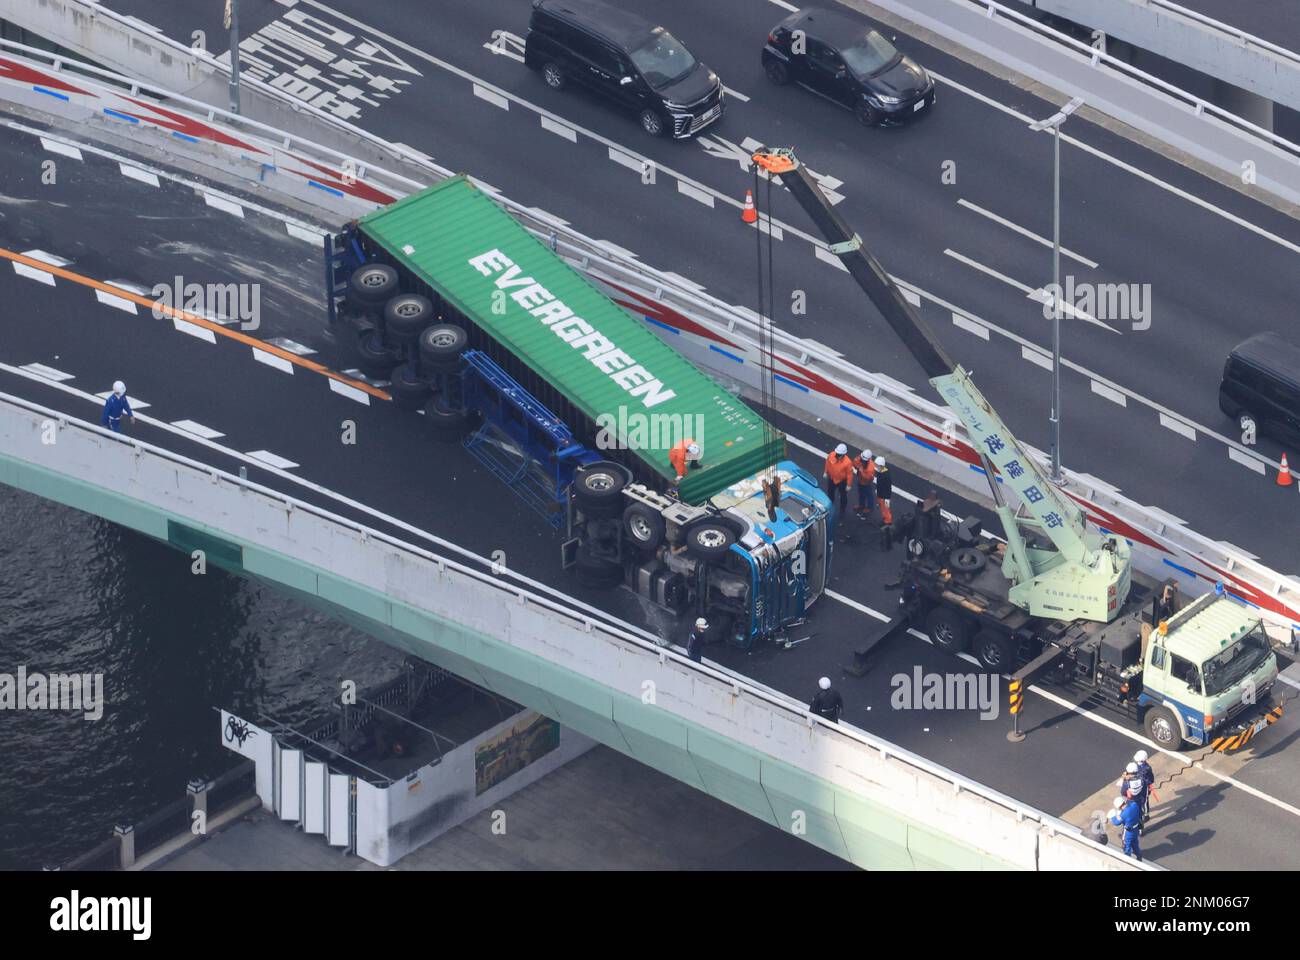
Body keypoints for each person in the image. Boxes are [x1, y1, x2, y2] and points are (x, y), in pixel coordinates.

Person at [822, 443, 853, 516]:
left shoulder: (848, 462)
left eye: (839, 455)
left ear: (843, 455)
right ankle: (830, 506)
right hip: (832, 479)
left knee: (843, 496)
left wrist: (848, 485)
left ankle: (842, 510)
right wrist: (825, 472)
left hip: (842, 481)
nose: (837, 456)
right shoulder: (831, 455)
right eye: (837, 454)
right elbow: (827, 463)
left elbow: (849, 474)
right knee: (830, 493)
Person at [1110, 794, 1143, 861]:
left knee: (1126, 846)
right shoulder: (1134, 805)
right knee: (1135, 843)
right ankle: (1139, 857)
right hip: (1136, 828)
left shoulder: (1124, 814)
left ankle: (1127, 860)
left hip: (1129, 832)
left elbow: (1116, 823)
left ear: (1119, 807)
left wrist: (1112, 817)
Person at [854, 449, 876, 519]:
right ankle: (861, 505)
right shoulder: (861, 459)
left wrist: (861, 471)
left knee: (869, 495)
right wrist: (859, 461)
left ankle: (869, 507)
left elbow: (868, 478)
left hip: (866, 483)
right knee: (861, 494)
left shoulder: (871, 467)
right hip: (860, 480)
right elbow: (854, 463)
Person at [1134, 750, 1155, 820]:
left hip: (1144, 787)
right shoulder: (1138, 765)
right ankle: (1142, 810)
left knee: (1145, 801)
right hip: (1139, 786)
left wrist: (1147, 784)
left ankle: (1146, 814)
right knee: (1139, 800)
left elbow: (1151, 779)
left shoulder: (1146, 768)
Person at [874, 456, 893, 526]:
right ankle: (885, 519)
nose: (875, 467)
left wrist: (888, 498)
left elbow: (888, 488)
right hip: (880, 494)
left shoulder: (886, 476)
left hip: (884, 496)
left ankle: (888, 522)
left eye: (877, 465)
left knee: (886, 510)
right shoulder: (880, 472)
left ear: (881, 466)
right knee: (883, 509)